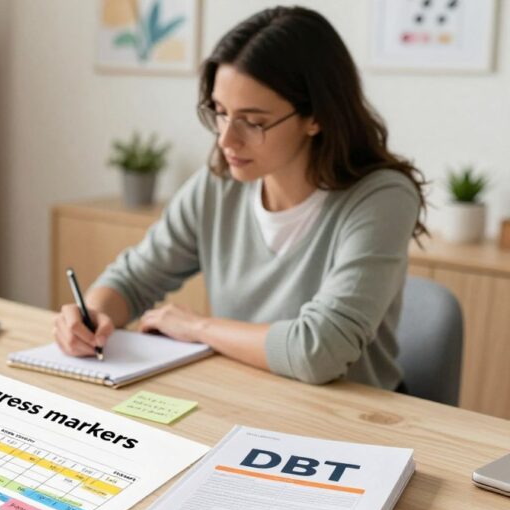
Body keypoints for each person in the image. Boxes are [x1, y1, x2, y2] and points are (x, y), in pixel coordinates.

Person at [53, 6, 426, 391]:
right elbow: (132, 279)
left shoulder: (382, 199)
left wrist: (198, 327)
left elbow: (319, 351)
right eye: (220, 112)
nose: (226, 140)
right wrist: (90, 315)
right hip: (248, 401)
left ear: (316, 116)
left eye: (253, 121)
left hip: (351, 423)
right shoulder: (219, 184)